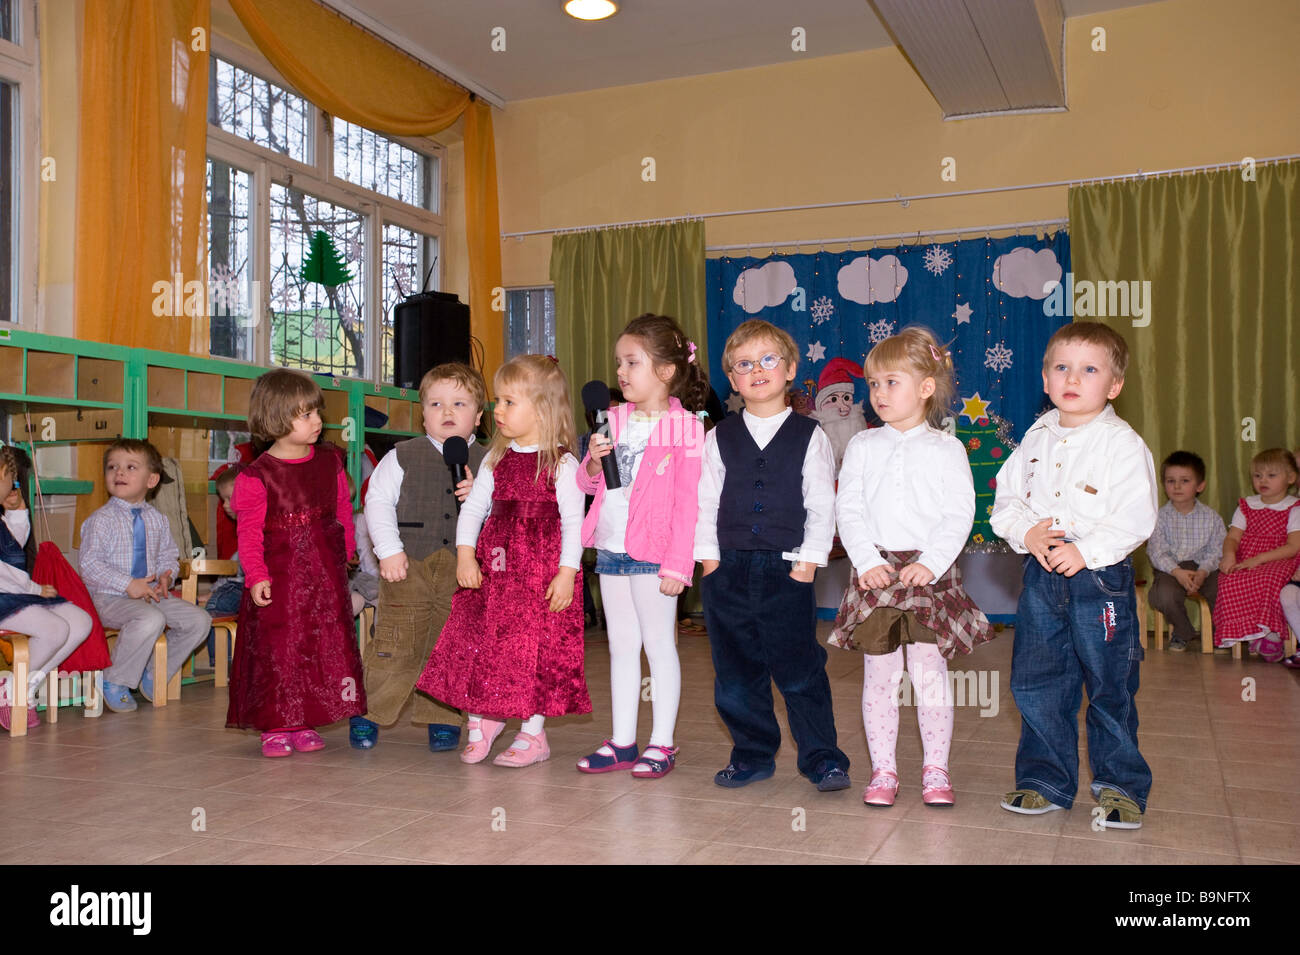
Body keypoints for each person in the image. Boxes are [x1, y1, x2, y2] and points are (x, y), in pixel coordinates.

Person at [991, 321, 1157, 829]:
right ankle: (1045, 781)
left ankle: (1120, 787)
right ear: (1044, 378)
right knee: (1039, 683)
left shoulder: (1121, 444)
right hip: (1042, 577)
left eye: (1089, 369)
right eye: (1061, 367)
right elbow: (1006, 502)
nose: (1072, 377)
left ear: (1113, 386)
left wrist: (1086, 551)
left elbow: (1137, 515)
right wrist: (1028, 535)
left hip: (1099, 579)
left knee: (1109, 684)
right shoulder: (1035, 437)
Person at [830, 327, 993, 808]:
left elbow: (959, 513)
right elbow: (849, 508)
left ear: (925, 388)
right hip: (876, 571)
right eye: (874, 384)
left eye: (891, 382)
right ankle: (883, 771)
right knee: (879, 676)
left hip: (928, 572)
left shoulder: (947, 449)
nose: (879, 393)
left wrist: (933, 562)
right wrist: (864, 560)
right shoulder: (862, 446)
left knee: (928, 675)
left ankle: (936, 769)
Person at [695, 319, 850, 792]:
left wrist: (808, 561)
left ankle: (823, 758)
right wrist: (709, 560)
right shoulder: (718, 436)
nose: (756, 370)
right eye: (744, 364)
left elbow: (822, 501)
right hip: (728, 568)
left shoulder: (811, 435)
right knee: (736, 671)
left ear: (789, 370)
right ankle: (752, 754)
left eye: (767, 360)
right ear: (733, 379)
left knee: (800, 669)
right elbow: (706, 500)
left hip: (788, 567)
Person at [416, 355, 591, 767]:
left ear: (543, 409)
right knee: (480, 641)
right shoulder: (497, 457)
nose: (498, 411)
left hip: (541, 571)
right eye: (498, 401)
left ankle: (533, 734)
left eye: (510, 402)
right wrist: (465, 555)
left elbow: (573, 522)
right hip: (495, 570)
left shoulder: (563, 463)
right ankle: (481, 720)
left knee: (535, 650)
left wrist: (567, 574)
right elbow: (475, 510)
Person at [575, 314, 707, 778]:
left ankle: (663, 743)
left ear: (667, 371)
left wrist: (678, 564)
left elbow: (689, 503)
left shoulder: (686, 428)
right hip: (611, 548)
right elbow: (587, 485)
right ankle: (623, 741)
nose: (621, 373)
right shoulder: (611, 418)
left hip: (655, 555)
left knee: (659, 646)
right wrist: (591, 463)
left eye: (632, 362)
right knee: (622, 647)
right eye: (619, 364)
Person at [226, 369, 365, 756]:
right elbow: (249, 534)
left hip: (323, 574)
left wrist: (348, 550)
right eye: (305, 415)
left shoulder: (330, 462)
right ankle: (275, 723)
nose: (318, 421)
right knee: (279, 650)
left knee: (318, 648)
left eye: (317, 412)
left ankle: (303, 719)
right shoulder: (256, 477)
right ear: (275, 418)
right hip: (280, 580)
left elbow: (342, 510)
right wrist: (255, 576)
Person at [351, 363, 482, 751]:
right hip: (409, 567)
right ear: (422, 414)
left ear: (478, 415)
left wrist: (480, 496)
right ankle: (369, 711)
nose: (446, 412)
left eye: (459, 403)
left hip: (462, 571)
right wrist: (388, 551)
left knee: (447, 647)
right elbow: (377, 502)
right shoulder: (401, 456)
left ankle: (442, 717)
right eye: (436, 404)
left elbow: (499, 516)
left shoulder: (490, 462)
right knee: (396, 642)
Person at [79, 439, 211, 713]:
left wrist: (167, 576)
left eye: (130, 467)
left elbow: (168, 556)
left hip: (150, 593)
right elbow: (89, 565)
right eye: (112, 467)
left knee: (199, 619)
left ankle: (154, 672)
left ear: (152, 480)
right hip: (107, 598)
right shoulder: (100, 520)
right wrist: (128, 584)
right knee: (151, 617)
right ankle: (114, 679)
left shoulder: (158, 519)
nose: (119, 473)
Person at [0, 445, 92, 730]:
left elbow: (13, 550)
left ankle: (18, 687)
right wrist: (35, 588)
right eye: (8, 479)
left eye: (11, 481)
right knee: (55, 629)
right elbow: (7, 571)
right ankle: (13, 692)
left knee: (80, 621)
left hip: (14, 593)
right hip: (7, 595)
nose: (11, 486)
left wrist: (17, 513)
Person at [1213, 448, 1300, 661]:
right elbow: (1232, 537)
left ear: (1290, 478)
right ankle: (1250, 632)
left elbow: (1293, 546)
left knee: (1268, 578)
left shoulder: (1294, 508)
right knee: (1229, 578)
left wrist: (1258, 560)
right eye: (1257, 475)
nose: (1263, 480)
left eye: (1271, 475)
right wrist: (1229, 555)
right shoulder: (1247, 505)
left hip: (1279, 559)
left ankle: (1270, 634)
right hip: (1248, 558)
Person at [1146, 451, 1226, 651]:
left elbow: (1217, 549)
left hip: (1205, 569)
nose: (1177, 486)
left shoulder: (1211, 517)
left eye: (1185, 481)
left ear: (1200, 486)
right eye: (1171, 481)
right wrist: (1177, 572)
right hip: (1171, 569)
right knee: (1162, 595)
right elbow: (1156, 551)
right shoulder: (1159, 517)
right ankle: (1183, 631)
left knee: (1223, 589)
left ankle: (1221, 634)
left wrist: (1203, 572)